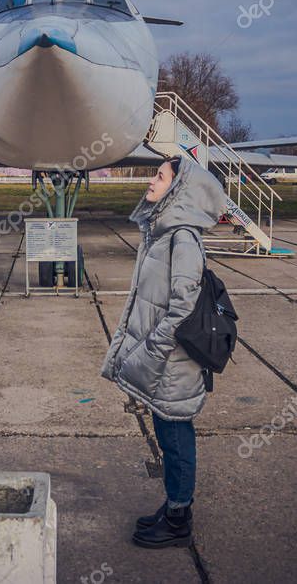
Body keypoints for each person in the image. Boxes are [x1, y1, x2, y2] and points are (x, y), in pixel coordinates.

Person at [100, 155, 226, 549]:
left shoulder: (182, 238)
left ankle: (178, 519)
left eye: (159, 176)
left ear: (178, 190)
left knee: (175, 438)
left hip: (171, 362)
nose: (151, 181)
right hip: (162, 361)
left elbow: (182, 308)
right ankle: (174, 505)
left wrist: (151, 352)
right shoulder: (162, 233)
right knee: (167, 434)